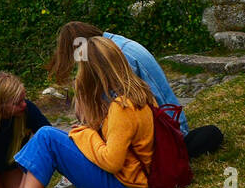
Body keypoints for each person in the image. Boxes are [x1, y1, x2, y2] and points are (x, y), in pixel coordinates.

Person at [0, 38, 155, 188]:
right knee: (46, 136)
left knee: (47, 137)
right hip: (129, 182)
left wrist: (87, 134)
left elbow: (112, 161)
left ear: (94, 73)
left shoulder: (122, 106)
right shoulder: (132, 94)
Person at [49, 21, 223, 159]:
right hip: (165, 126)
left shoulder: (116, 57)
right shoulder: (115, 43)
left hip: (167, 134)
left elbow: (121, 112)